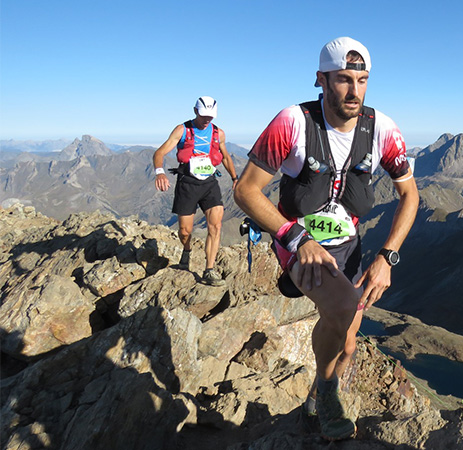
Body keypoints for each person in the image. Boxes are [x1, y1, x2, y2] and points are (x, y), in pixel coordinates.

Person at [234, 37, 418, 440]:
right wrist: (296, 238)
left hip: (349, 247)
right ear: (321, 79)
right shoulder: (292, 122)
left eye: (362, 80)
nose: (354, 91)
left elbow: (410, 194)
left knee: (348, 345)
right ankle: (331, 393)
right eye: (343, 79)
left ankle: (313, 403)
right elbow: (246, 190)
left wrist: (387, 257)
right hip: (296, 240)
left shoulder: (381, 129)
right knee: (342, 307)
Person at [153, 96, 238, 286]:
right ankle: (187, 251)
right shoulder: (182, 130)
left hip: (209, 183)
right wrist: (159, 173)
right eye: (204, 115)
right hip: (187, 183)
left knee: (215, 226)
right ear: (195, 111)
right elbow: (159, 152)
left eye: (211, 116)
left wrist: (234, 178)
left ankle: (209, 270)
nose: (207, 119)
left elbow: (225, 157)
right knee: (184, 230)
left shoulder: (219, 133)